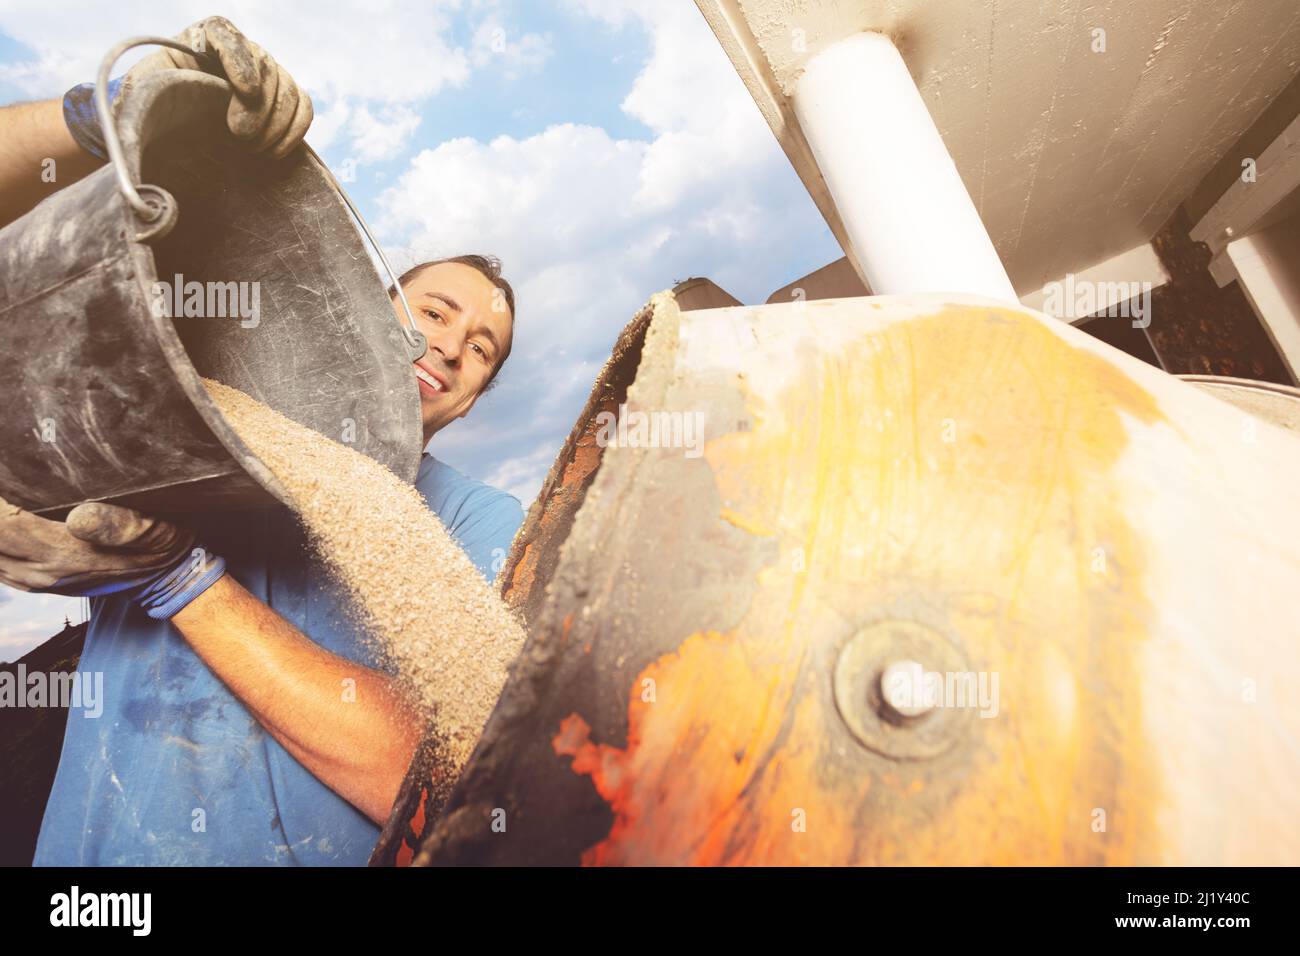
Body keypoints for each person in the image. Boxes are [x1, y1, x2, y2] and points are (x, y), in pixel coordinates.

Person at [0, 17, 523, 865]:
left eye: (482, 351)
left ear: (472, 400)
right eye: (434, 312)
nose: (451, 349)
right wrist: (96, 119)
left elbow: (453, 777)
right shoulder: (166, 445)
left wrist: (183, 581)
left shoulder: (474, 518)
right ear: (374, 307)